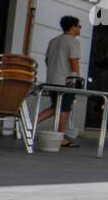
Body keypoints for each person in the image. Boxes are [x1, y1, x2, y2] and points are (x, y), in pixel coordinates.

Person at [35, 16, 83, 148]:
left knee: (56, 106)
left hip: (51, 80)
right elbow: (73, 60)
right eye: (79, 26)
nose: (80, 29)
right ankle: (60, 137)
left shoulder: (53, 41)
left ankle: (31, 123)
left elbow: (47, 60)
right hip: (66, 81)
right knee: (64, 108)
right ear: (73, 27)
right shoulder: (73, 42)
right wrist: (76, 78)